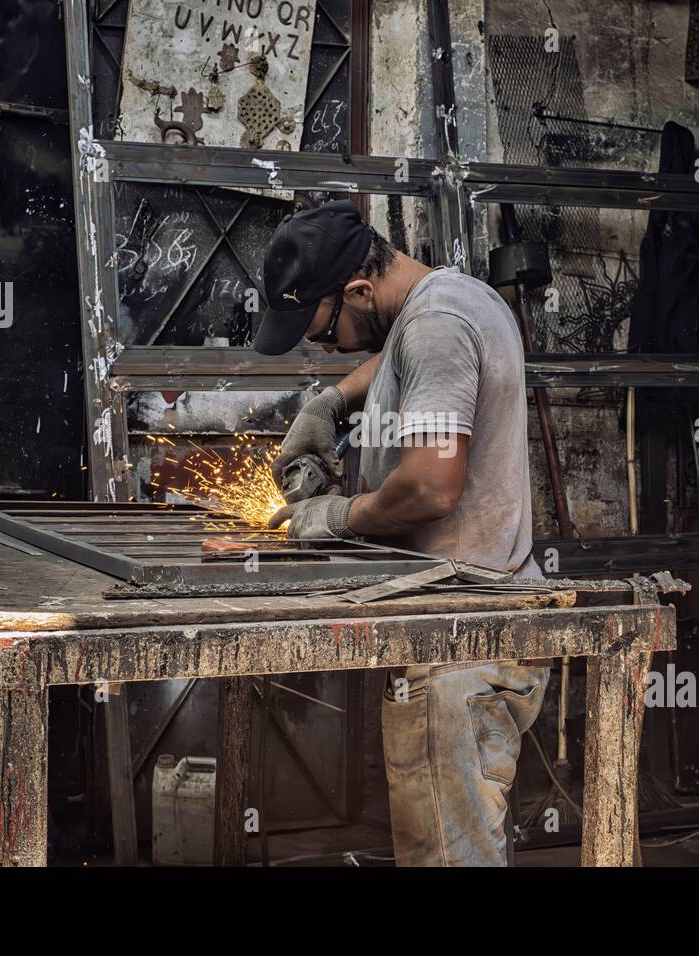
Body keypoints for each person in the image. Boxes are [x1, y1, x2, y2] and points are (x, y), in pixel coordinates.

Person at [256, 200, 548, 866]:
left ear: (359, 289)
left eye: (325, 330)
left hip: (460, 644)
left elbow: (429, 487)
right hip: (474, 630)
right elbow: (396, 357)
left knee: (450, 857)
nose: (323, 346)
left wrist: (331, 517)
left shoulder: (435, 326)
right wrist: (330, 401)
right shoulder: (448, 298)